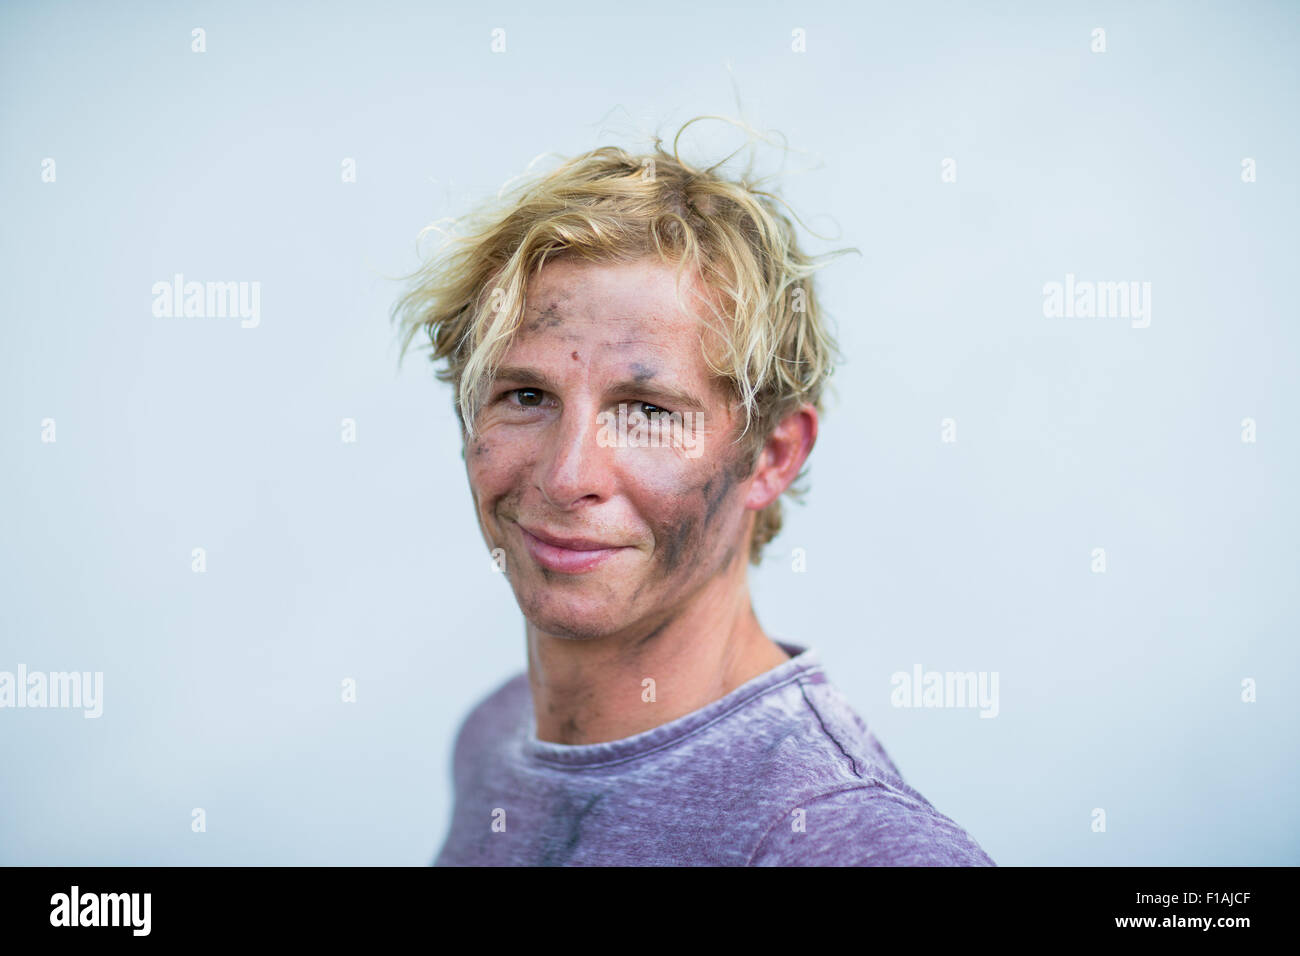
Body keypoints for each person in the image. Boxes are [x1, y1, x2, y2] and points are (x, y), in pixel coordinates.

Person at [392, 119, 995, 866]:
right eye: (524, 395)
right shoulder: (495, 735)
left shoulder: (845, 841)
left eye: (648, 412)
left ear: (773, 456)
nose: (567, 475)